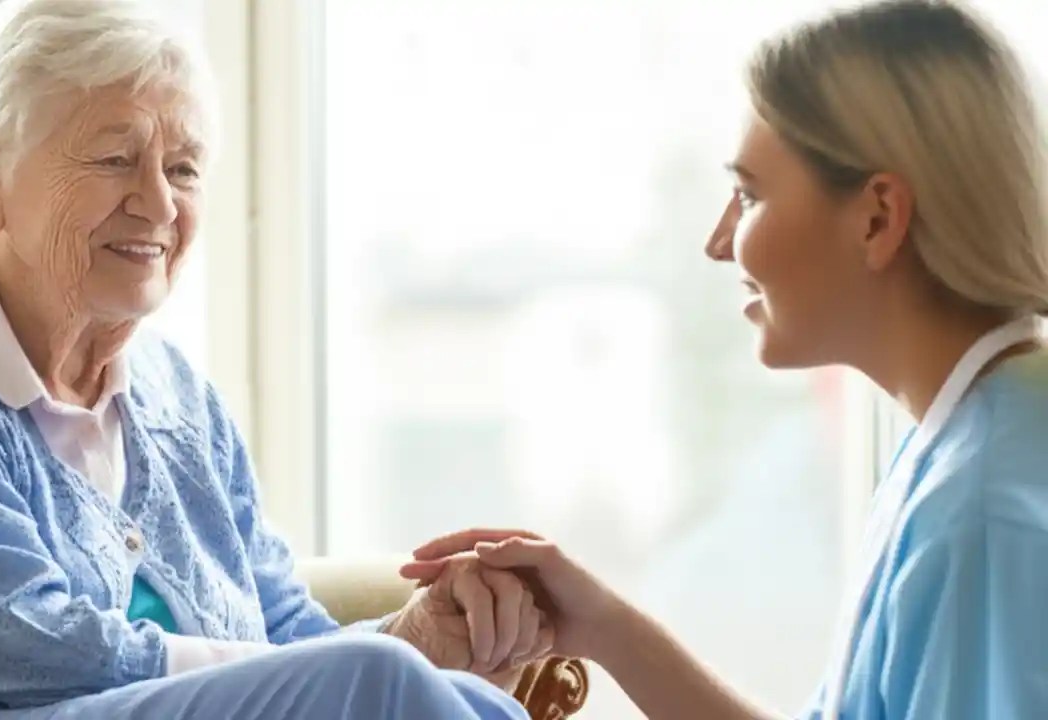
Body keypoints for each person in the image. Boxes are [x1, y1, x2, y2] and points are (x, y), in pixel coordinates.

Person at [0, 1, 550, 719]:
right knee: (385, 681)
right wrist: (366, 668)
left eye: (183, 169)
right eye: (116, 159)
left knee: (466, 699)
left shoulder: (176, 394)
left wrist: (416, 636)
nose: (158, 204)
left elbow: (280, 622)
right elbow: (6, 642)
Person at [405, 1, 1048, 718]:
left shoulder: (983, 511)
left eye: (749, 194)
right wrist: (601, 626)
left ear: (877, 218)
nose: (719, 242)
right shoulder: (968, 443)